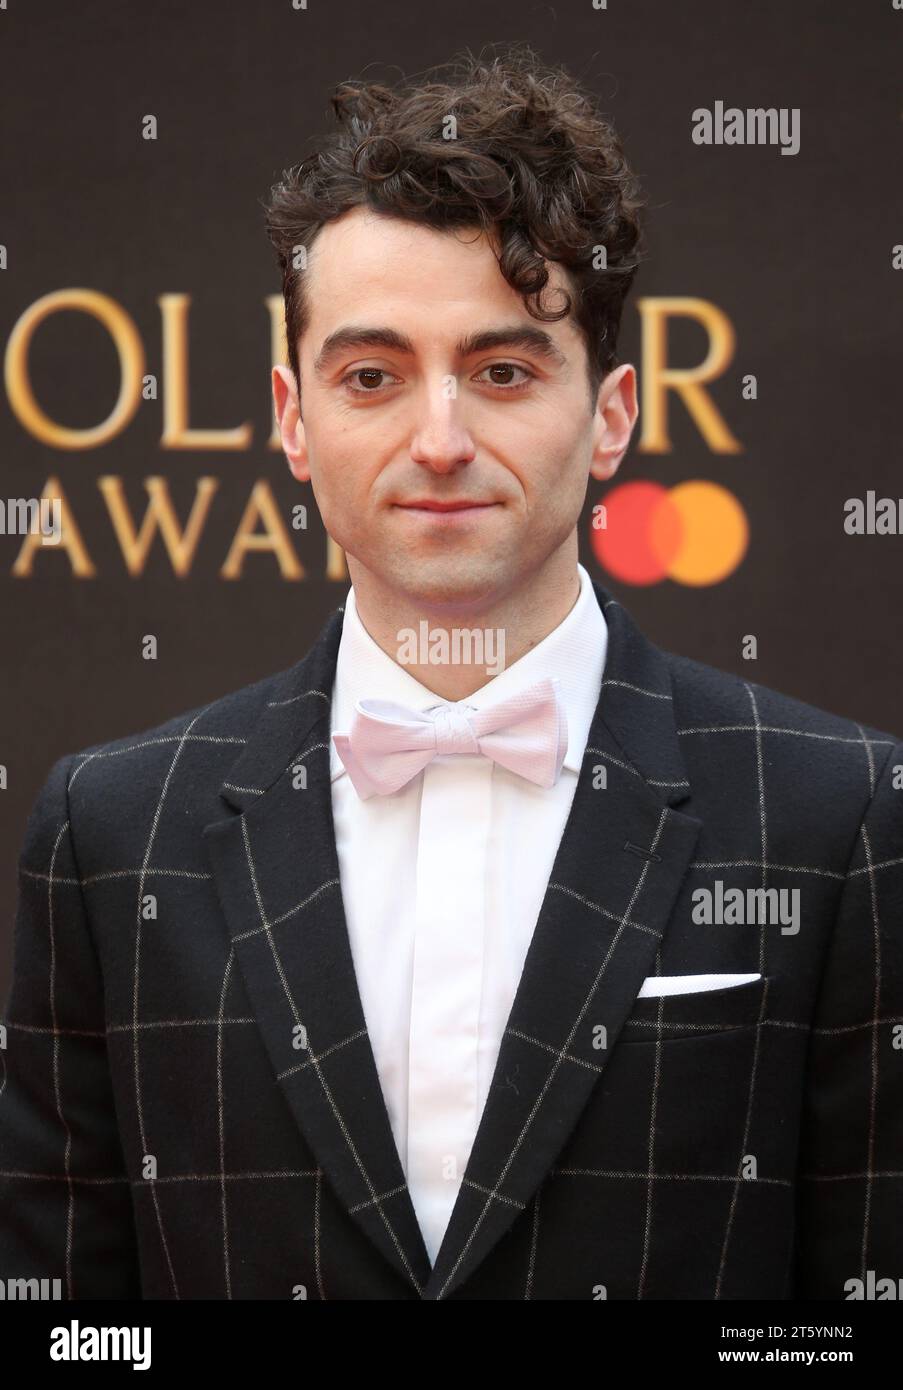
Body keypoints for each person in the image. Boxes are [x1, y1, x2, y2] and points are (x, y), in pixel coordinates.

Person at [1, 44, 901, 1302]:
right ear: (292, 417)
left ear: (614, 412)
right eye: (373, 376)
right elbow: (68, 1329)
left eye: (503, 371)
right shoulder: (108, 834)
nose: (439, 440)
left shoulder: (842, 815)